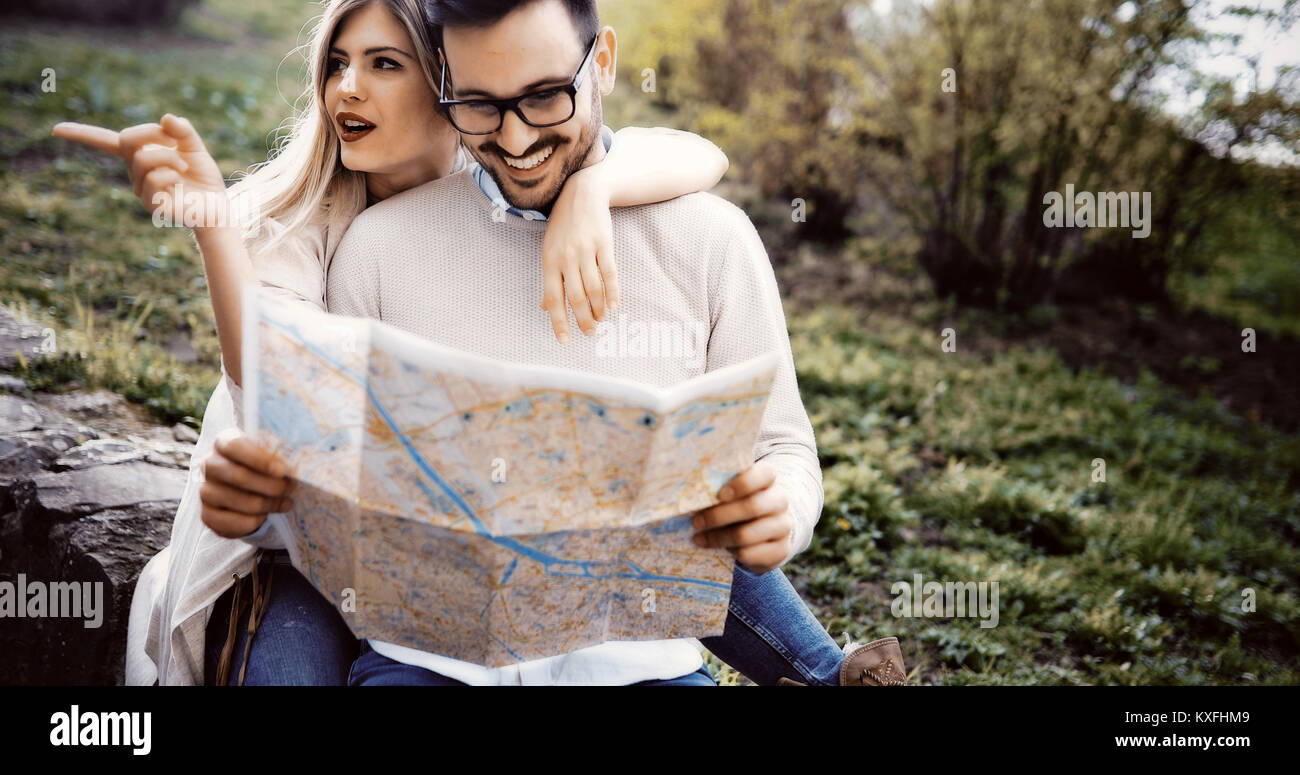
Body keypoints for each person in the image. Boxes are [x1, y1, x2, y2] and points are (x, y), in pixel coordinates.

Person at [53, 0, 734, 685]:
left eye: (383, 64)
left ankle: (826, 667)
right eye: (338, 65)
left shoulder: (500, 187)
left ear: (451, 87)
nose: (347, 87)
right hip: (295, 554)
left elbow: (698, 151)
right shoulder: (301, 220)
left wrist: (594, 186)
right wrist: (213, 227)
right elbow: (266, 375)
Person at [322, 0, 907, 686]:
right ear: (446, 79)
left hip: (639, 666)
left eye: (545, 97)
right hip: (432, 664)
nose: (514, 139)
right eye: (479, 104)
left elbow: (782, 447)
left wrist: (784, 506)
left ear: (601, 62)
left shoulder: (711, 242)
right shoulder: (380, 250)